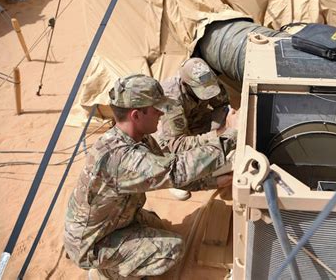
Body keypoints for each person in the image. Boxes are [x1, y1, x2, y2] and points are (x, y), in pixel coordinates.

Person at [64, 74, 238, 279]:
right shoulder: (122, 159)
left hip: (115, 222)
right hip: (92, 243)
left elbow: (168, 169)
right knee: (171, 250)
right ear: (136, 115)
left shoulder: (139, 139)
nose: (161, 112)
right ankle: (106, 274)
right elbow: (177, 170)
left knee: (155, 225)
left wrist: (212, 182)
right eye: (155, 108)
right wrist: (231, 135)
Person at [155, 57, 236, 200]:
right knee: (175, 155)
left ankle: (216, 158)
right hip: (172, 139)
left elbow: (222, 104)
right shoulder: (171, 100)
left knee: (226, 115)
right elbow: (177, 144)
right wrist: (219, 134)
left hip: (196, 121)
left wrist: (229, 119)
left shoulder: (207, 79)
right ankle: (176, 179)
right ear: (186, 84)